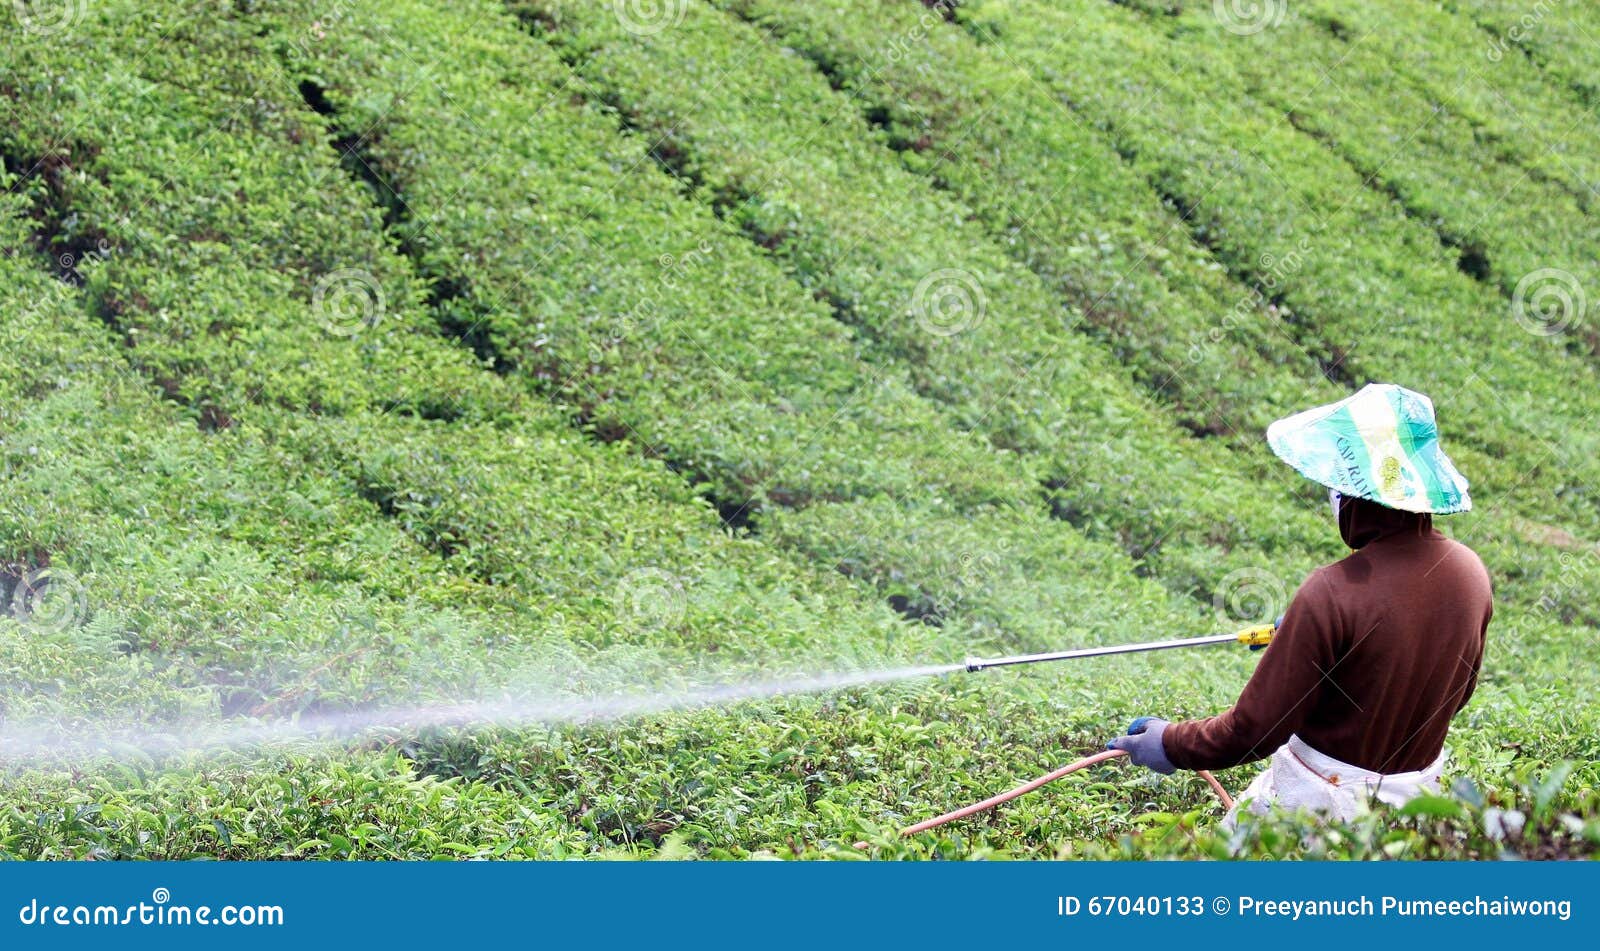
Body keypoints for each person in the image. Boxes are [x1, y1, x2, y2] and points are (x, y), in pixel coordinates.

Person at [1108, 383, 1492, 826]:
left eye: (1336, 483)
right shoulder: (1471, 572)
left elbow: (1252, 732)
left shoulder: (1331, 591)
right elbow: (1454, 694)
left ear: (1354, 493)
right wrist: (1315, 643)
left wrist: (1169, 742)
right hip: (1417, 808)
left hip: (1322, 812)